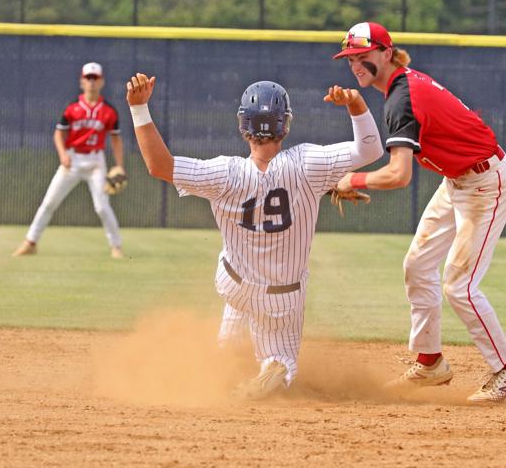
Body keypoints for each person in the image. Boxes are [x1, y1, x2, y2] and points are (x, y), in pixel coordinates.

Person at [125, 74, 383, 399]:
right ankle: (273, 366)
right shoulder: (308, 164)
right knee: (282, 365)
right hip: (281, 296)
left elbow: (159, 165)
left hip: (233, 283)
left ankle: (225, 362)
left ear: (242, 125)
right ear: (285, 125)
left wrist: (138, 108)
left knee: (228, 353)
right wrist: (356, 104)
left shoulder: (224, 173)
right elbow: (370, 149)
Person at [333, 22, 506, 403]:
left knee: (459, 285)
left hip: (486, 183)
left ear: (386, 53)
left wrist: (352, 181)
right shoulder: (402, 86)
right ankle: (430, 362)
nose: (356, 64)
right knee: (418, 266)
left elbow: (399, 175)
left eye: (363, 56)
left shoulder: (403, 98)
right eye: (350, 58)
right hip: (457, 181)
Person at [12, 62, 125, 259]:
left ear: (101, 81)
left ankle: (116, 247)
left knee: (101, 207)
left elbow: (116, 139)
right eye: (88, 78)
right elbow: (58, 134)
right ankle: (30, 242)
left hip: (96, 162)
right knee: (49, 203)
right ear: (81, 81)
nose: (91, 82)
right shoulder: (73, 108)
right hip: (72, 160)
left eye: (95, 78)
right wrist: (63, 154)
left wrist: (119, 165)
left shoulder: (109, 111)